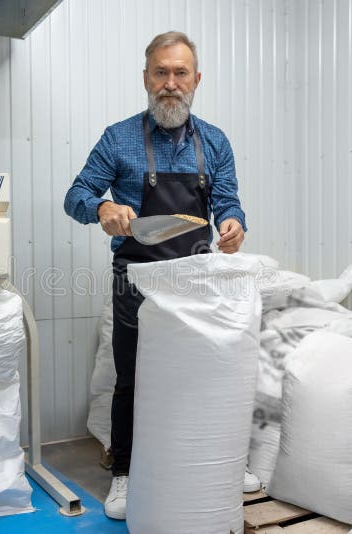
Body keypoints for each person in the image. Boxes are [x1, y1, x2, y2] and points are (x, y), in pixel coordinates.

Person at [64, 31, 256, 520]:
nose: (171, 84)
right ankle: (126, 473)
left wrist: (234, 224)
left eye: (180, 73)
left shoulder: (214, 141)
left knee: (200, 375)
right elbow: (76, 195)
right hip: (138, 279)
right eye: (161, 72)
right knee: (132, 378)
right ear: (146, 77)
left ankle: (213, 463)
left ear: (196, 79)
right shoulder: (119, 138)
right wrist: (102, 206)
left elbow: (227, 202)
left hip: (196, 278)